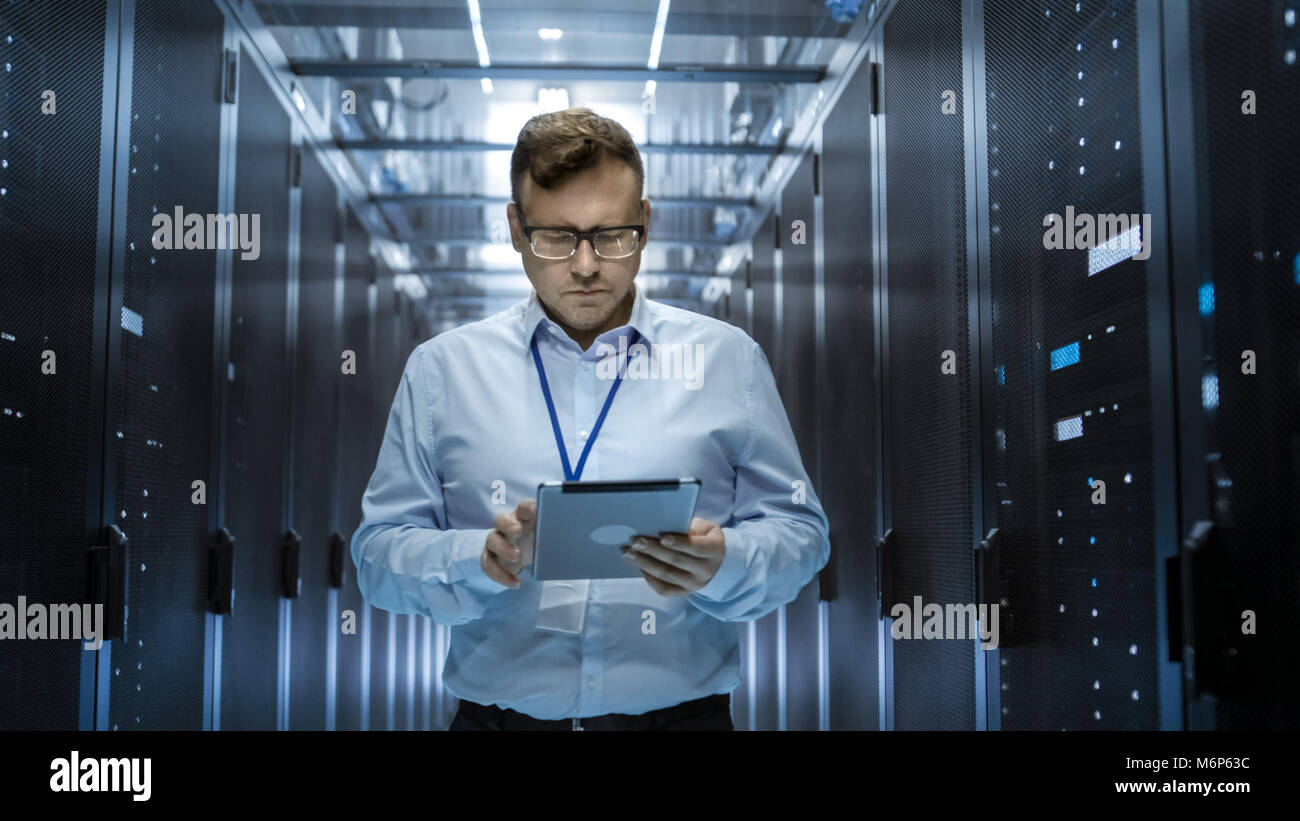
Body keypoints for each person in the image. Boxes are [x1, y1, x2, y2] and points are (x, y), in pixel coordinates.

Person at [350, 106, 830, 731]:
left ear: (646, 224)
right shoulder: (443, 371)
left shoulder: (725, 360)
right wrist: (480, 558)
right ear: (516, 229)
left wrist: (728, 561)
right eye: (556, 237)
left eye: (611, 236)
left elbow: (802, 531)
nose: (584, 265)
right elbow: (377, 555)